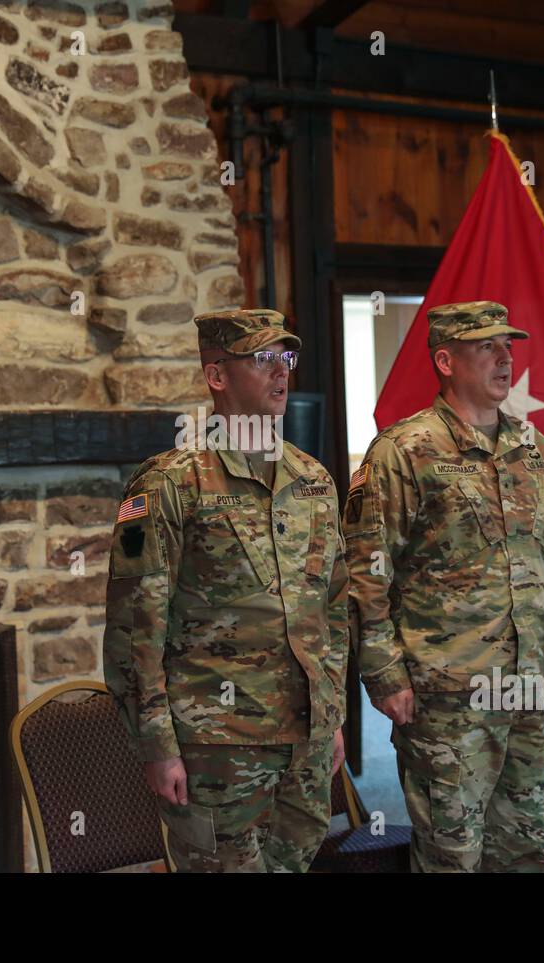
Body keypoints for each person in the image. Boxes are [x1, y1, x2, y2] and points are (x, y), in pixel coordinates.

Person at [102, 308, 348, 873]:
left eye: (285, 357)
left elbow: (332, 611)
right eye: (262, 359)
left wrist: (330, 716)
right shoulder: (169, 481)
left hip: (304, 742)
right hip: (216, 743)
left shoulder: (313, 480)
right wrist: (158, 745)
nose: (281, 372)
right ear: (217, 376)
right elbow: (135, 629)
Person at [344, 300, 544, 872]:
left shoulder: (533, 449)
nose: (504, 358)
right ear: (445, 360)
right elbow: (367, 572)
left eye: (508, 346)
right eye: (486, 347)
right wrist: (385, 675)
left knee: (523, 850)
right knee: (452, 854)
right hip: (448, 692)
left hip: (526, 688)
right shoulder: (404, 451)